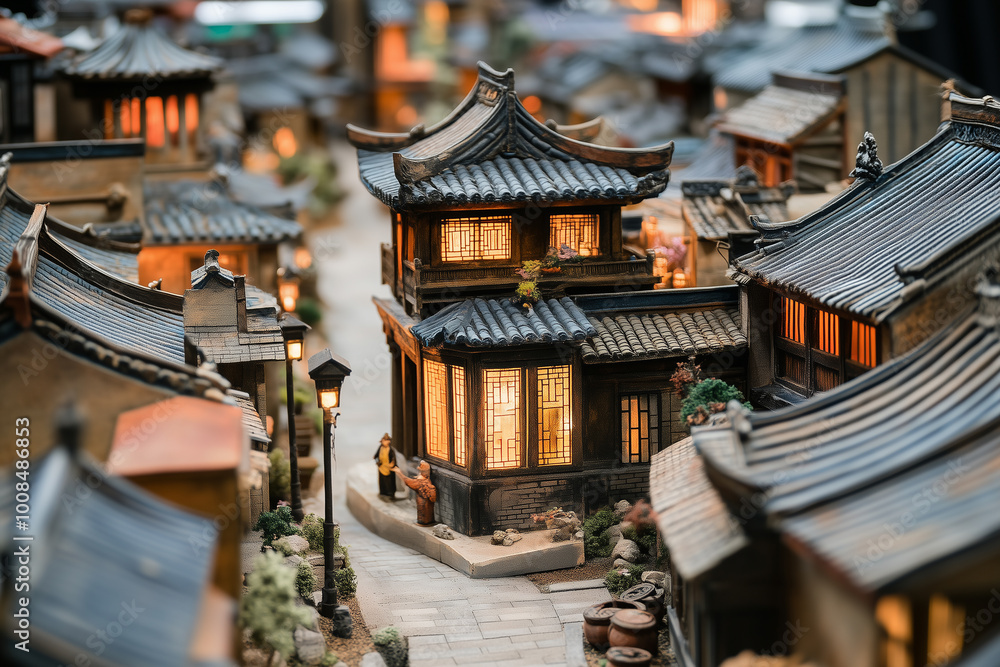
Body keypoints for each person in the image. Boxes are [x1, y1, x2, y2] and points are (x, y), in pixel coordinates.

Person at [394, 460, 437, 526]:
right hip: (422, 500)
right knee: (425, 512)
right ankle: (425, 521)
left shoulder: (421, 482)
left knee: (424, 512)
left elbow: (409, 482)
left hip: (423, 502)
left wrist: (399, 473)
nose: (418, 469)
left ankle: (424, 522)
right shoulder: (425, 479)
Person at [373, 433, 397, 500]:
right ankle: (383, 492)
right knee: (382, 481)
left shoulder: (391, 449)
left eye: (388, 440)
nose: (386, 442)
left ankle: (391, 493)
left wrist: (393, 463)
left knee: (389, 482)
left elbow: (393, 458)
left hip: (389, 468)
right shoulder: (380, 448)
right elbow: (375, 456)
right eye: (385, 440)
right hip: (381, 467)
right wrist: (377, 462)